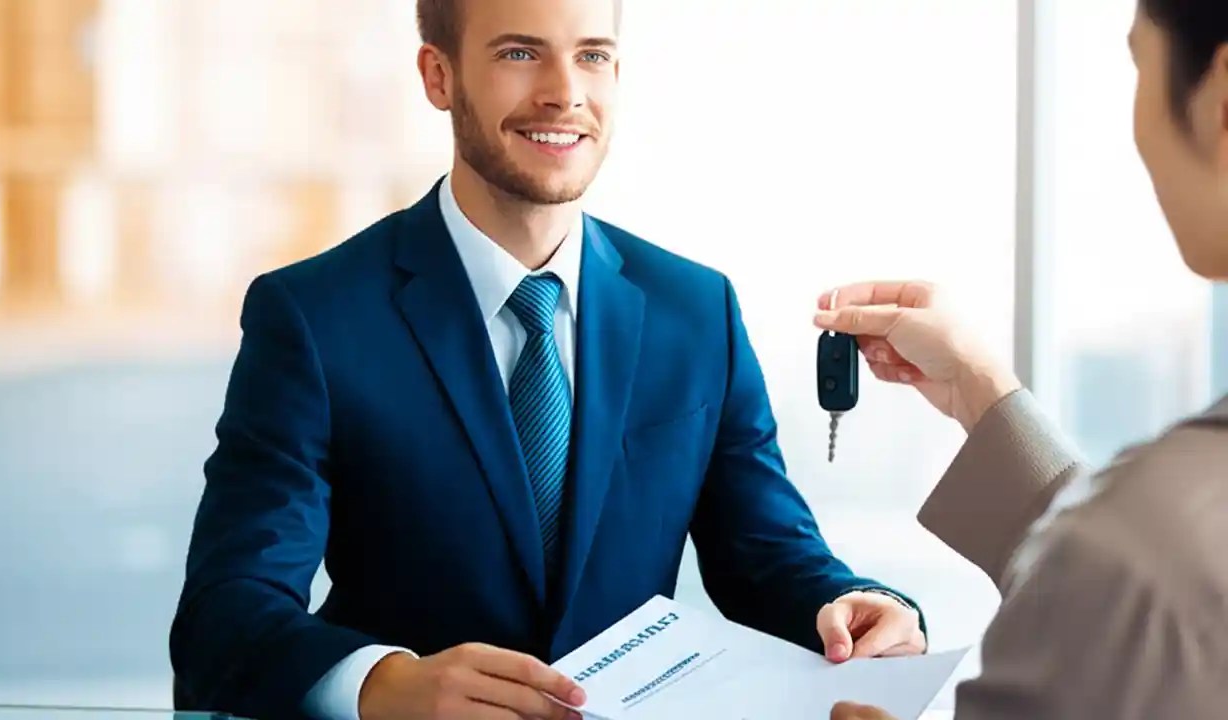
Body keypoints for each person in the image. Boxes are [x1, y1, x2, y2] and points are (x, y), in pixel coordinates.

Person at [168, 0, 926, 718]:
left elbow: (770, 561)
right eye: (520, 52)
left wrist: (854, 609)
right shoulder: (315, 316)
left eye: (592, 55)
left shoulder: (696, 312)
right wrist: (386, 686)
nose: (565, 93)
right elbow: (224, 617)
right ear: (439, 76)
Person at [821, 2, 1228, 719]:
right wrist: (977, 387)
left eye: (1139, 63)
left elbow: (1134, 574)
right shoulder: (1149, 544)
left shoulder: (1147, 549)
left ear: (1222, 104)